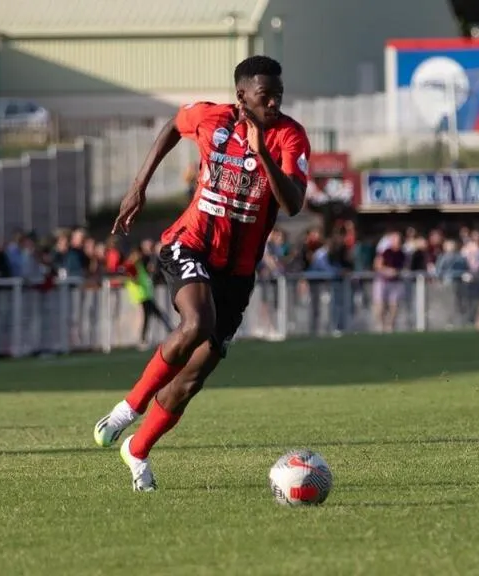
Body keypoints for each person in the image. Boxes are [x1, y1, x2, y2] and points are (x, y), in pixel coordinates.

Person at [93, 55, 310, 491]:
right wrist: (139, 185)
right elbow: (174, 126)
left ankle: (136, 451)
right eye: (264, 96)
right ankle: (126, 409)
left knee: (193, 377)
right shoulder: (210, 117)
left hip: (238, 272)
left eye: (278, 96)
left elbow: (293, 203)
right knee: (196, 322)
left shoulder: (290, 136)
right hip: (189, 243)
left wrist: (262, 151)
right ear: (242, 96)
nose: (273, 103)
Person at [124, 246, 174, 350]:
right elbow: (132, 278)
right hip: (140, 296)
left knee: (156, 314)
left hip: (145, 294)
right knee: (149, 316)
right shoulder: (130, 265)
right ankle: (143, 339)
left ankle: (170, 332)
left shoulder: (138, 264)